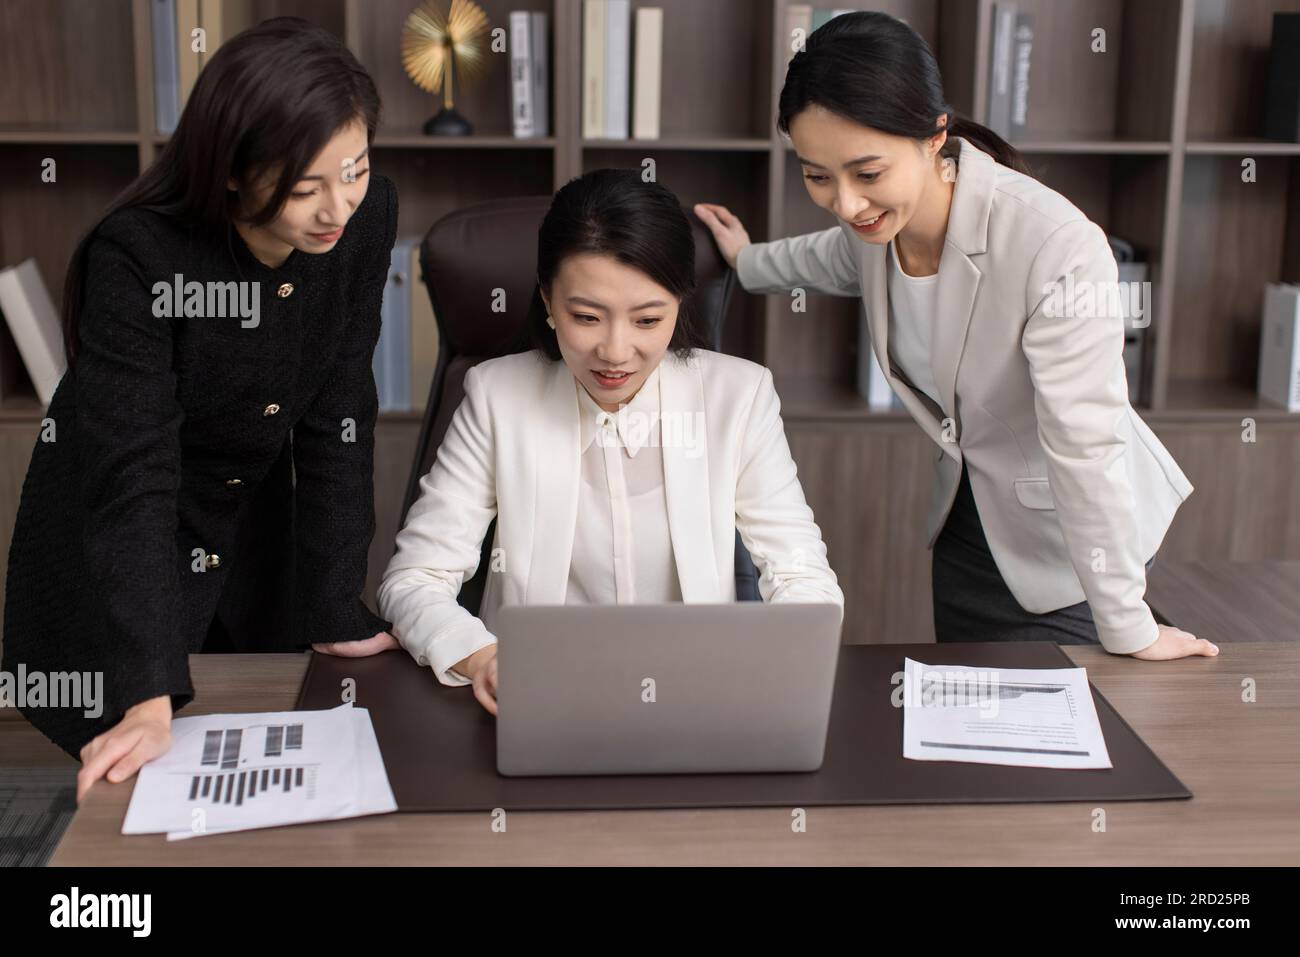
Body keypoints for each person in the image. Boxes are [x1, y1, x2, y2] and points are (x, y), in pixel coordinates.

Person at [694, 11, 1216, 662]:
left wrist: (1129, 625)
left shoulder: (1056, 245)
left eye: (867, 172)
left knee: (1068, 737)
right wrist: (745, 260)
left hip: (1070, 546)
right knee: (975, 725)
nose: (846, 203)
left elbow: (1087, 448)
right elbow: (820, 257)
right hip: (967, 524)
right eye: (817, 175)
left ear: (935, 136)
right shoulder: (875, 233)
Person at [3, 18, 400, 801]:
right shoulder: (138, 255)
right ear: (230, 172)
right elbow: (134, 470)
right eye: (304, 186)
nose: (338, 207)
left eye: (353, 169)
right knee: (132, 789)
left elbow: (338, 415)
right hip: (127, 544)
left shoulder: (364, 218)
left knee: (271, 776)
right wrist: (144, 689)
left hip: (251, 539)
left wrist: (330, 601)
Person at [379, 168, 844, 715]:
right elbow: (415, 579)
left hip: (697, 701)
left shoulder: (738, 397)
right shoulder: (496, 395)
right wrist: (483, 658)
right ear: (548, 302)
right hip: (538, 700)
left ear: (680, 304)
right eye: (586, 317)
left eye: (648, 319)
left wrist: (770, 662)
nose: (616, 351)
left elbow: (800, 576)